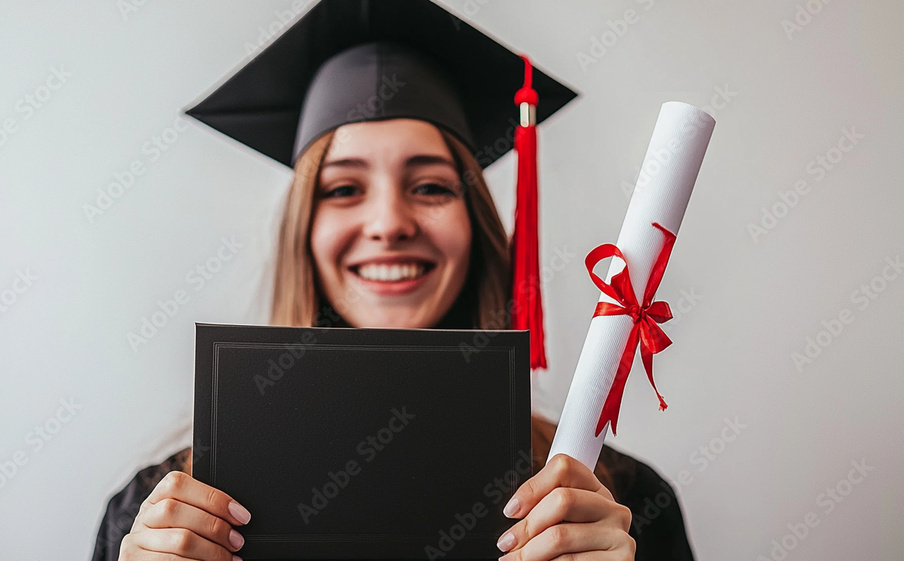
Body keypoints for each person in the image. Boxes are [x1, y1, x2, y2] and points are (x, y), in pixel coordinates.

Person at [92, 1, 695, 560]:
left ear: (476, 225)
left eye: (430, 186)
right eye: (344, 189)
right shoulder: (161, 520)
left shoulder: (614, 508)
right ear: (303, 230)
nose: (388, 224)